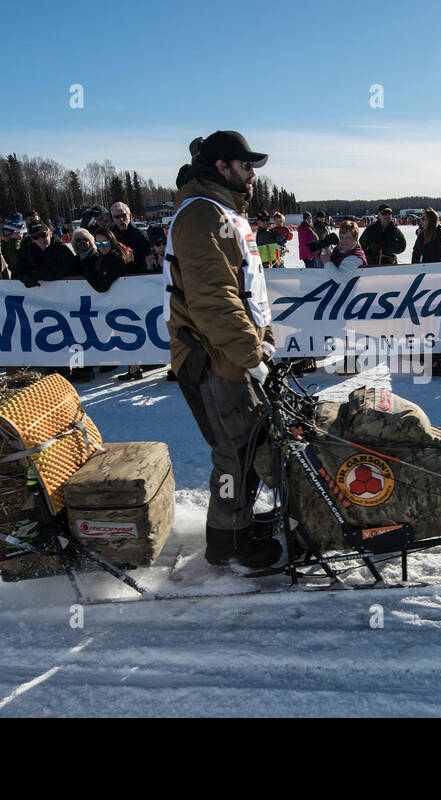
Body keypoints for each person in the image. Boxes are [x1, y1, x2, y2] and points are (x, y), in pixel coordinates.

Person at [164, 130, 281, 569]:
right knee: (234, 451)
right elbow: (213, 298)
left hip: (233, 351)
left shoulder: (223, 212)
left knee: (249, 445)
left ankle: (239, 522)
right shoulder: (200, 215)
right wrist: (249, 354)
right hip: (214, 356)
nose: (253, 174)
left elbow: (246, 291)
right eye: (246, 165)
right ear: (221, 167)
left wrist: (261, 345)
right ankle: (227, 542)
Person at [17, 222, 76, 286]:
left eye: (43, 235)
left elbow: (68, 270)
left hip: (65, 290)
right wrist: (25, 277)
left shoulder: (61, 249)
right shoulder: (29, 251)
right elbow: (19, 269)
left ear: (50, 233)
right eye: (36, 237)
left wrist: (39, 275)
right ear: (33, 240)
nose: (41, 239)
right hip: (39, 293)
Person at [108, 202, 151, 274]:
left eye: (123, 215)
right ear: (113, 219)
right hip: (117, 278)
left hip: (137, 276)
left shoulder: (140, 235)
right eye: (117, 217)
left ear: (130, 216)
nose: (121, 219)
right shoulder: (111, 236)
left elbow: (147, 257)